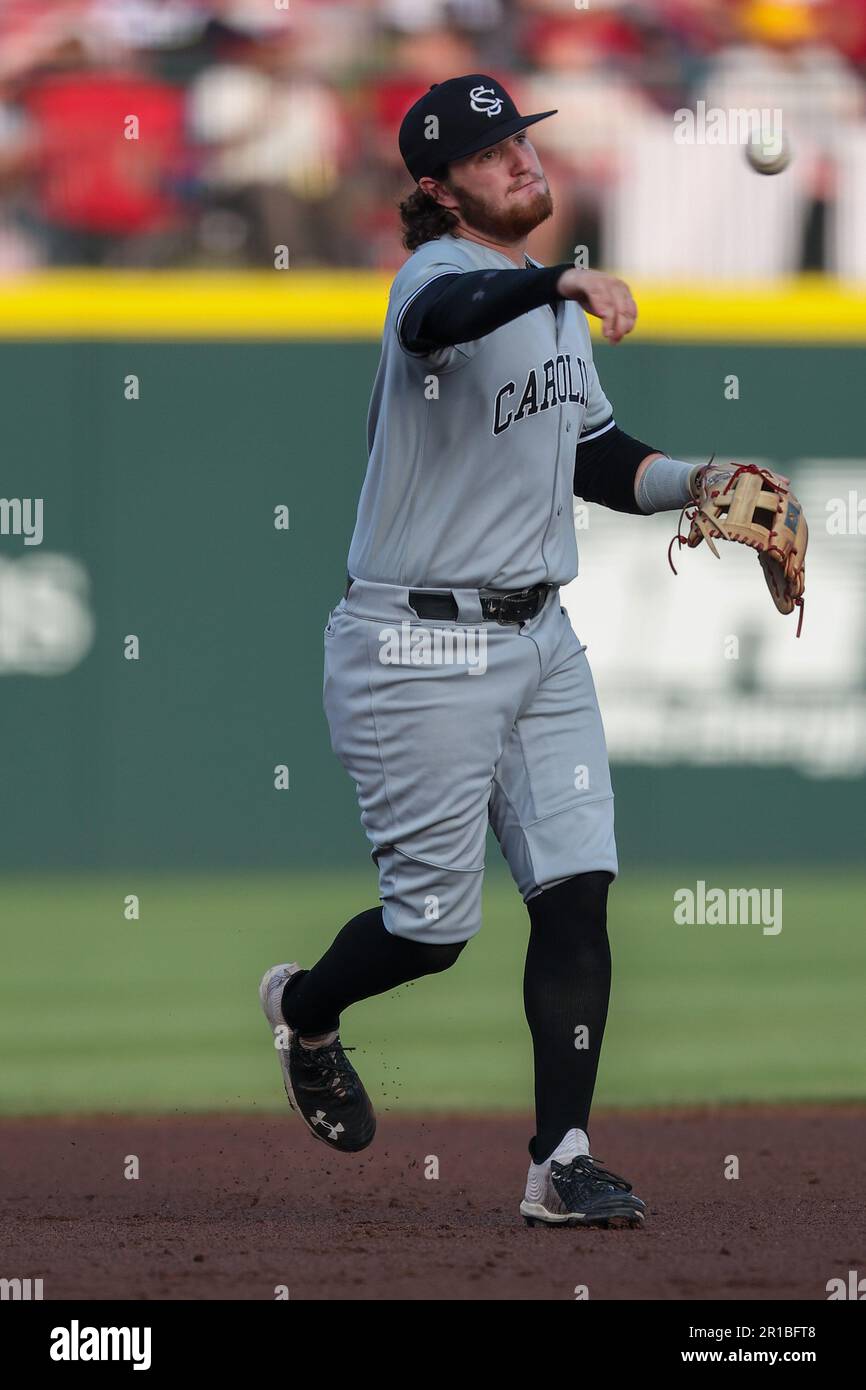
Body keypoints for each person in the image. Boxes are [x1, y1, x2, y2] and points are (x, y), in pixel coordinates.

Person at [261, 73, 715, 1229]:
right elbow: (435, 324)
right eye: (487, 150)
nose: (517, 158)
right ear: (435, 188)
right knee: (430, 929)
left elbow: (596, 458)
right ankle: (306, 1010)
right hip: (414, 642)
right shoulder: (441, 278)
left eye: (519, 136)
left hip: (539, 640)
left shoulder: (543, 303)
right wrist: (558, 275)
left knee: (575, 894)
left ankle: (560, 1160)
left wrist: (698, 483)